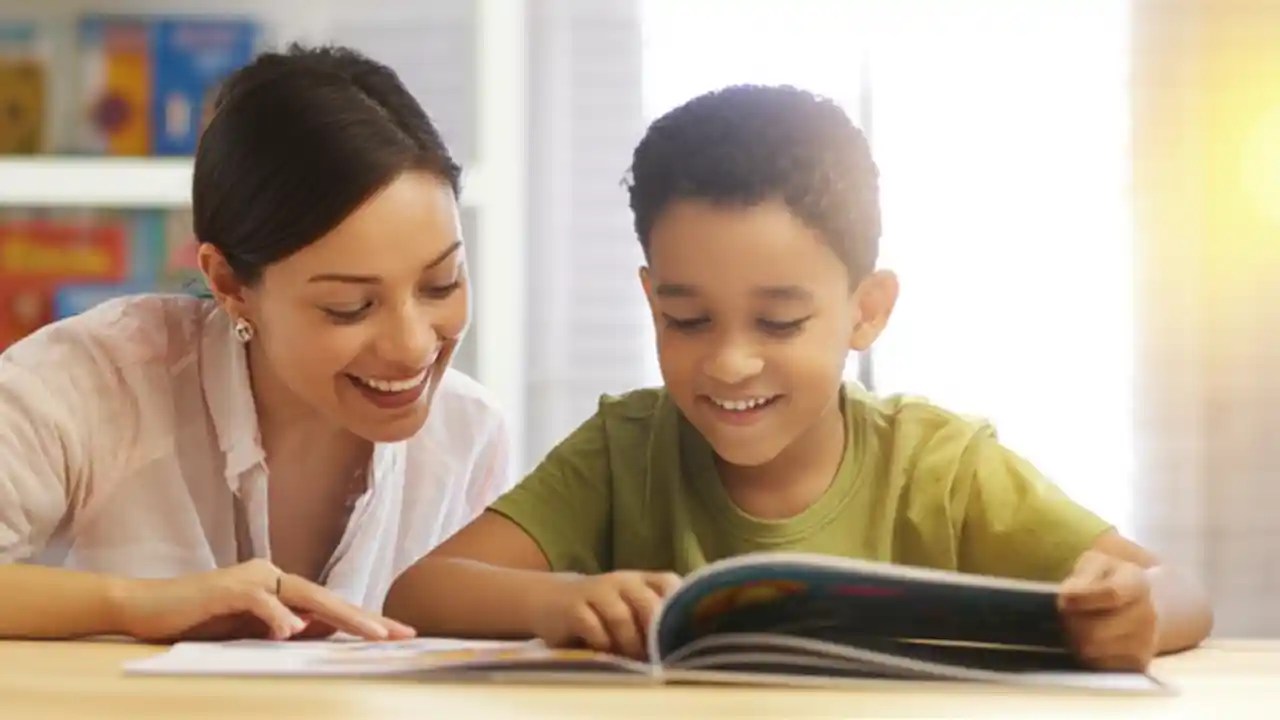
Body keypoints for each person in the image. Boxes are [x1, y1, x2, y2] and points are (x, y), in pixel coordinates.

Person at [385, 84, 1214, 670]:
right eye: (687, 319)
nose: (729, 361)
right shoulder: (624, 451)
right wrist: (554, 602)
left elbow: (1179, 593)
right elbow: (420, 590)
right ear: (650, 301)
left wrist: (1134, 614)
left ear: (868, 311)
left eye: (779, 322)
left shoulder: (940, 467)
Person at [0, 45, 511, 642]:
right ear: (229, 284)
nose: (410, 346)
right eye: (349, 306)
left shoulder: (468, 437)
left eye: (440, 284)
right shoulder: (90, 385)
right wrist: (134, 605)